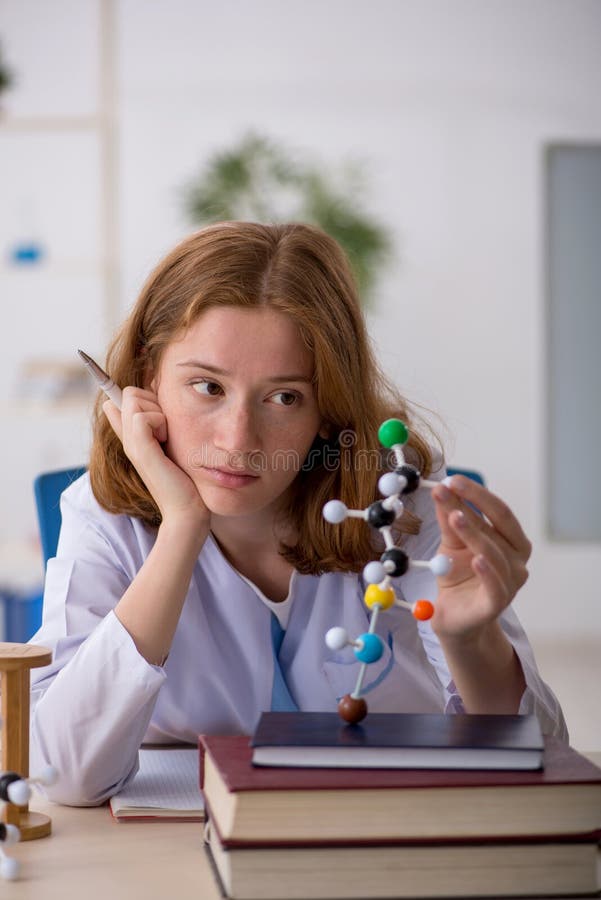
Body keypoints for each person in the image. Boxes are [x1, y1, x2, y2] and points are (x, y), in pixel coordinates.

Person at [29, 222, 567, 805]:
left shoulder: (404, 507)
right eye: (207, 387)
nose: (238, 441)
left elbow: (540, 762)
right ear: (145, 376)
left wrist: (471, 642)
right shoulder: (102, 514)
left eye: (284, 397)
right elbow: (66, 774)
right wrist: (183, 528)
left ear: (327, 409)